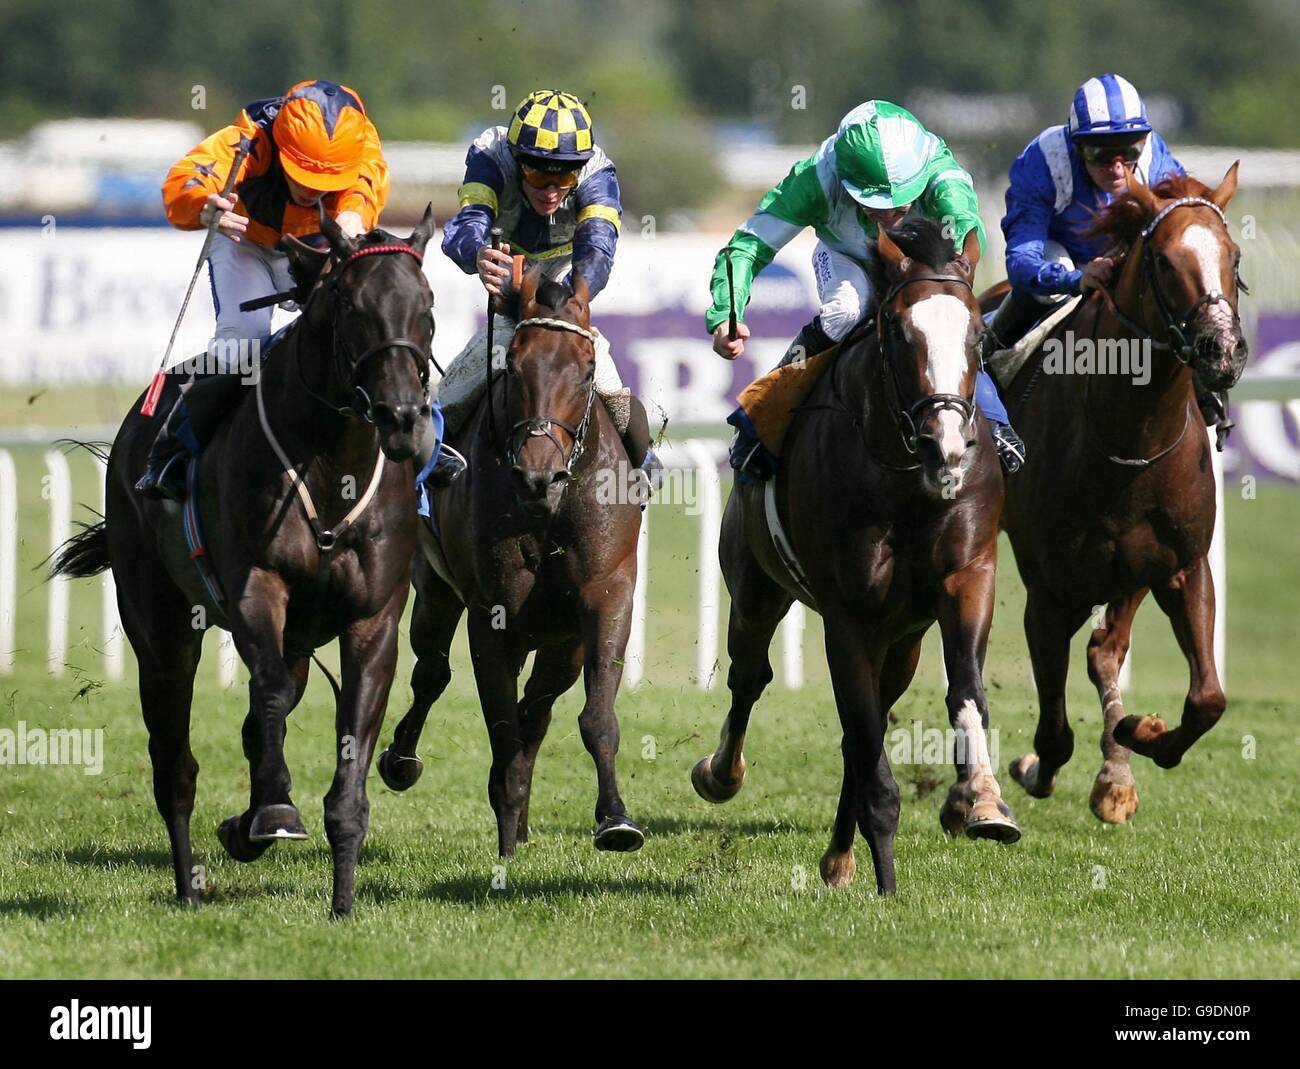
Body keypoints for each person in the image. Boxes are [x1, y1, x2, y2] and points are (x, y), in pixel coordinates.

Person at [706, 100, 1026, 474]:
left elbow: (964, 249)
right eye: (874, 202)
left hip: (922, 262)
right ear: (843, 179)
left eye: (902, 199)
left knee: (943, 318)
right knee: (846, 310)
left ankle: (996, 422)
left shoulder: (945, 183)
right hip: (848, 256)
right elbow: (747, 246)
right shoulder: (815, 178)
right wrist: (727, 311)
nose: (890, 213)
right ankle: (763, 414)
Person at [137, 78, 389, 499]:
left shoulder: (360, 142)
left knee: (367, 331)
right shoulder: (251, 135)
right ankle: (172, 448)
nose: (313, 189)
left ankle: (424, 448)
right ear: (282, 146)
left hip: (316, 243)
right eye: (303, 174)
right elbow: (187, 176)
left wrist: (352, 216)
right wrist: (202, 205)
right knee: (245, 341)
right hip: (243, 240)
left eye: (327, 180)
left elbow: (364, 189)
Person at [432, 89, 656, 493]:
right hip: (509, 272)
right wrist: (478, 253)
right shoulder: (490, 154)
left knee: (603, 373)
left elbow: (599, 250)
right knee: (464, 379)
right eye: (538, 175)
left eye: (564, 177)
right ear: (517, 161)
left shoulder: (598, 171)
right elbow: (465, 225)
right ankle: (431, 456)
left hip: (569, 279)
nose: (551, 190)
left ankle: (644, 460)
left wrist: (575, 305)